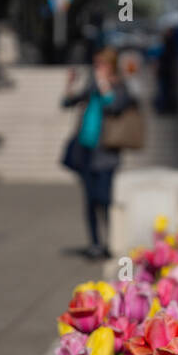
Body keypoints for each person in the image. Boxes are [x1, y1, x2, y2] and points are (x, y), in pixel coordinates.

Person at [61, 46, 131, 259]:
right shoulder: (92, 87)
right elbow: (67, 103)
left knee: (105, 199)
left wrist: (103, 84)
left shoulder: (119, 87)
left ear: (111, 65)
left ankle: (111, 241)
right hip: (86, 150)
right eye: (96, 64)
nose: (97, 68)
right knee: (90, 200)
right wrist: (70, 85)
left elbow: (115, 106)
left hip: (106, 153)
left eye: (101, 64)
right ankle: (94, 243)